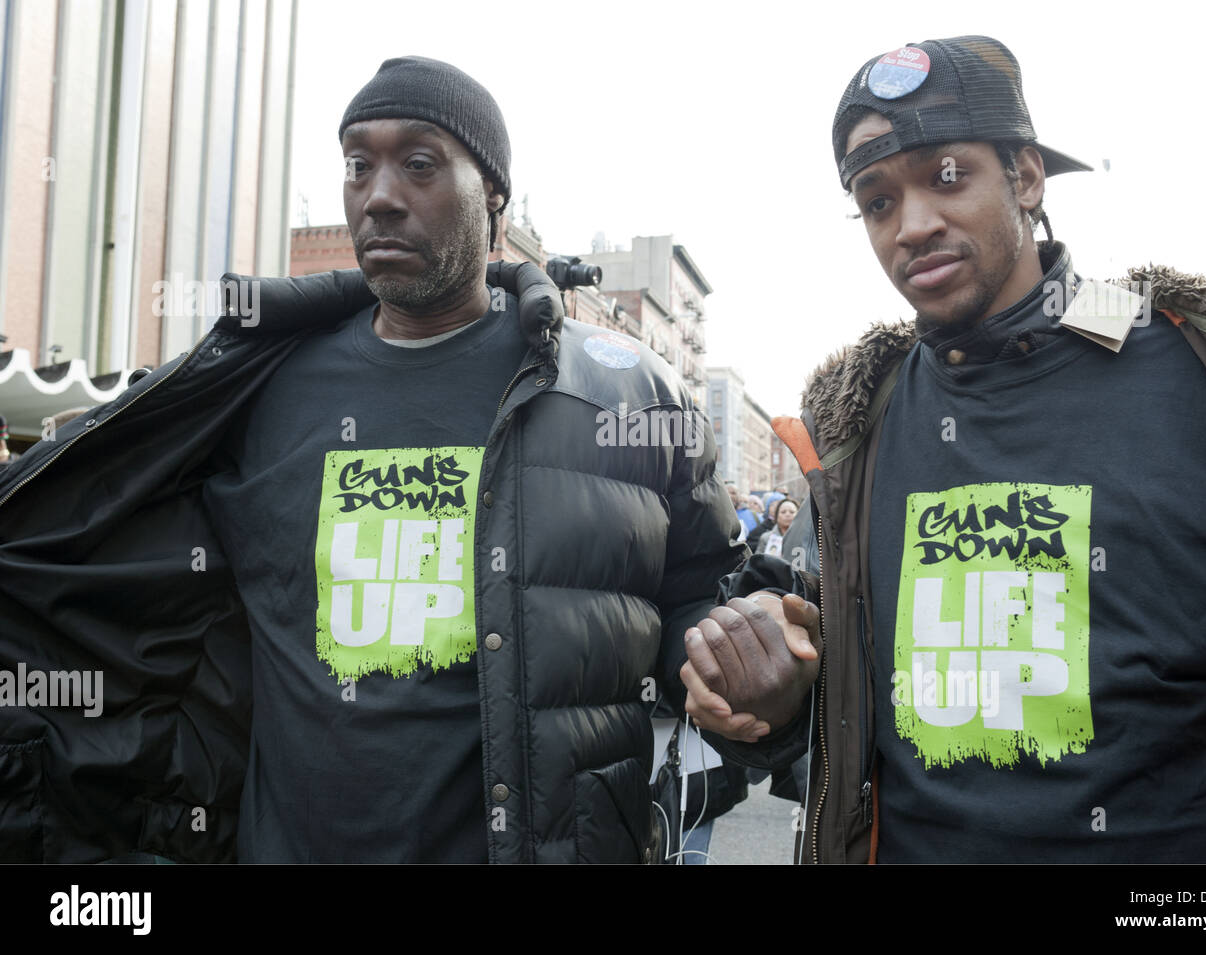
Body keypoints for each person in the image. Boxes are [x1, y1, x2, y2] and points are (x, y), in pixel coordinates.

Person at [0, 56, 743, 864]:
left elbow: (704, 602)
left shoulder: (622, 397)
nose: (380, 194)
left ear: (492, 194)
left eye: (420, 164)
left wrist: (735, 663)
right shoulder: (255, 390)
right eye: (358, 165)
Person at [680, 35, 1206, 864]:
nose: (914, 225)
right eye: (877, 201)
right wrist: (775, 693)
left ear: (1028, 177)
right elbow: (846, 709)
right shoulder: (864, 425)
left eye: (946, 176)